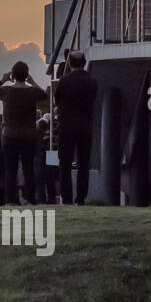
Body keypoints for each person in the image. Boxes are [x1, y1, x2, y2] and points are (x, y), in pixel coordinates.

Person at [0, 61, 47, 205]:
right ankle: (31, 199)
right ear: (26, 74)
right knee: (28, 169)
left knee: (10, 170)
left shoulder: (6, 91)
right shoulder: (32, 92)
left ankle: (10, 201)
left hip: (10, 135)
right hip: (29, 135)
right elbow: (44, 95)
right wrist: (32, 82)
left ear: (12, 75)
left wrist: (2, 80)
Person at [55, 50, 99, 205]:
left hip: (66, 127)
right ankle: (81, 198)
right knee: (83, 163)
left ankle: (66, 198)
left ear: (70, 63)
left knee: (65, 164)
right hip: (85, 126)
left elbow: (57, 100)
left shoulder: (63, 81)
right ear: (84, 62)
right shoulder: (92, 82)